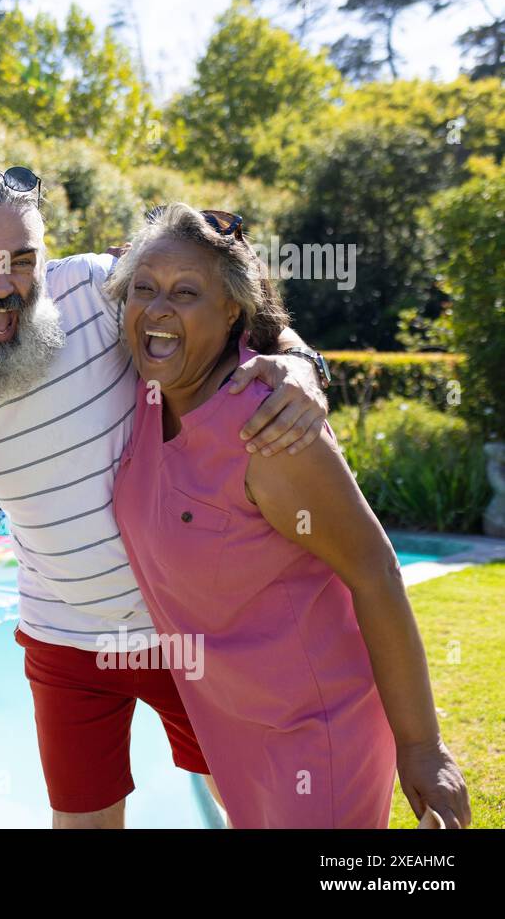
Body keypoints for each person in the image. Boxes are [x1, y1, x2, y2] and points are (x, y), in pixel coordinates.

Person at [0, 167, 333, 827]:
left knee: (259, 808)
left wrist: (305, 362)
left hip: (186, 624)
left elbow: (224, 277)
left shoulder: (94, 288)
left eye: (24, 260)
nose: (3, 284)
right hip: (64, 635)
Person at [107, 202, 471, 827]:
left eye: (186, 292)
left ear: (232, 312)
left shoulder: (268, 420)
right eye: (145, 289)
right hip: (231, 732)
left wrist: (423, 748)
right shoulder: (147, 389)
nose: (158, 307)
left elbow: (375, 570)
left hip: (314, 733)